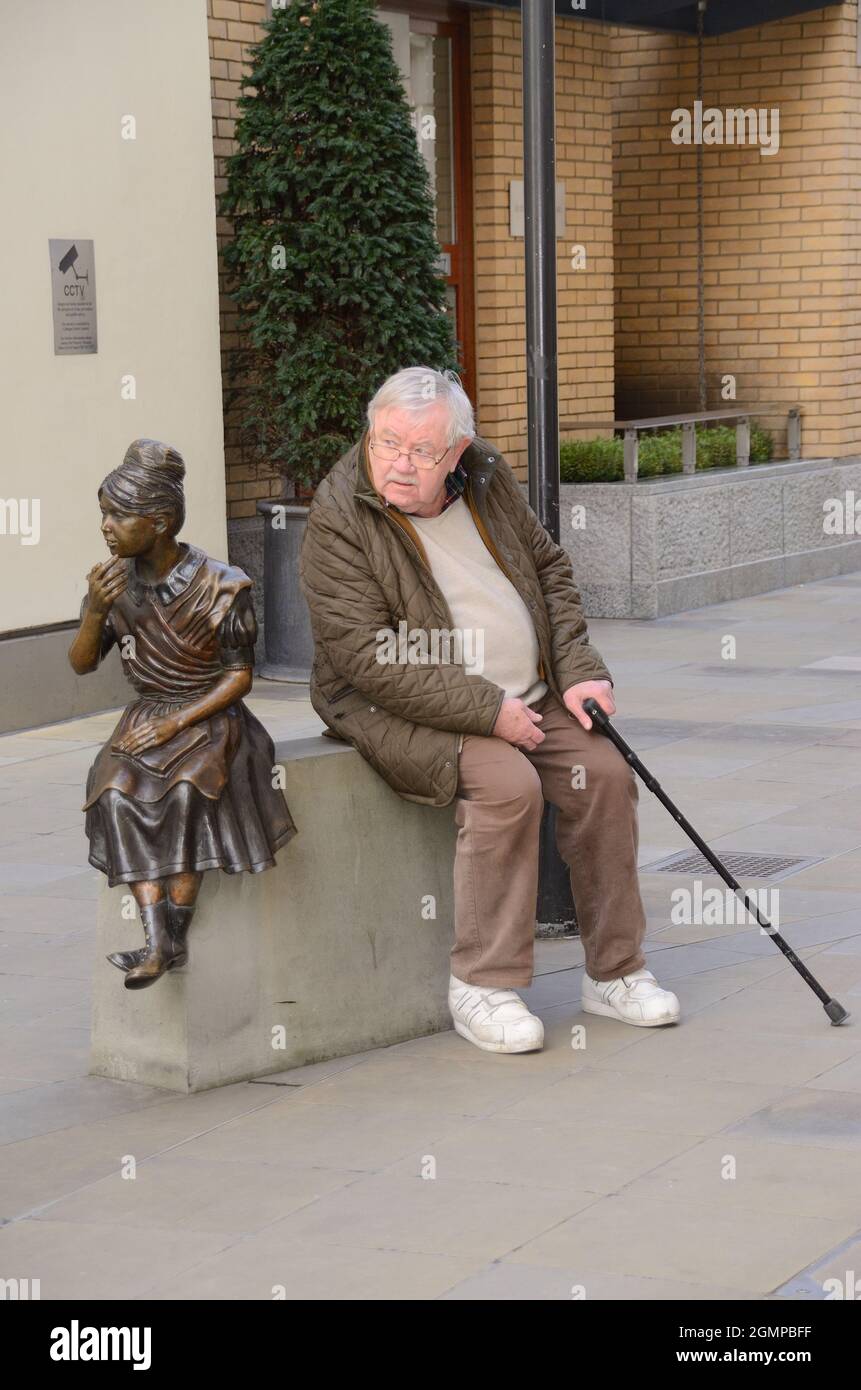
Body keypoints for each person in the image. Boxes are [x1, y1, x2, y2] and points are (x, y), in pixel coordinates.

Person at [299, 366, 680, 1054]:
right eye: (387, 443)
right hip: (401, 704)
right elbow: (364, 655)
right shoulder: (339, 513)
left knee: (607, 777)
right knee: (509, 786)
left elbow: (549, 570)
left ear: (456, 452)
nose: (399, 464)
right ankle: (482, 983)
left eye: (421, 452)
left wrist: (578, 672)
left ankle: (614, 971)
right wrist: (486, 710)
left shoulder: (485, 476)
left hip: (527, 691)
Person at [69, 438, 297, 989]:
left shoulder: (222, 584)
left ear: (161, 521)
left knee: (187, 792)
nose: (106, 526)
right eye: (103, 513)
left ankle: (171, 933)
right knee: (114, 791)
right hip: (147, 715)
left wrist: (177, 722)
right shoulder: (112, 585)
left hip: (207, 717)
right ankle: (158, 939)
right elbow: (80, 663)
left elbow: (239, 676)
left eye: (119, 515)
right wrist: (95, 612)